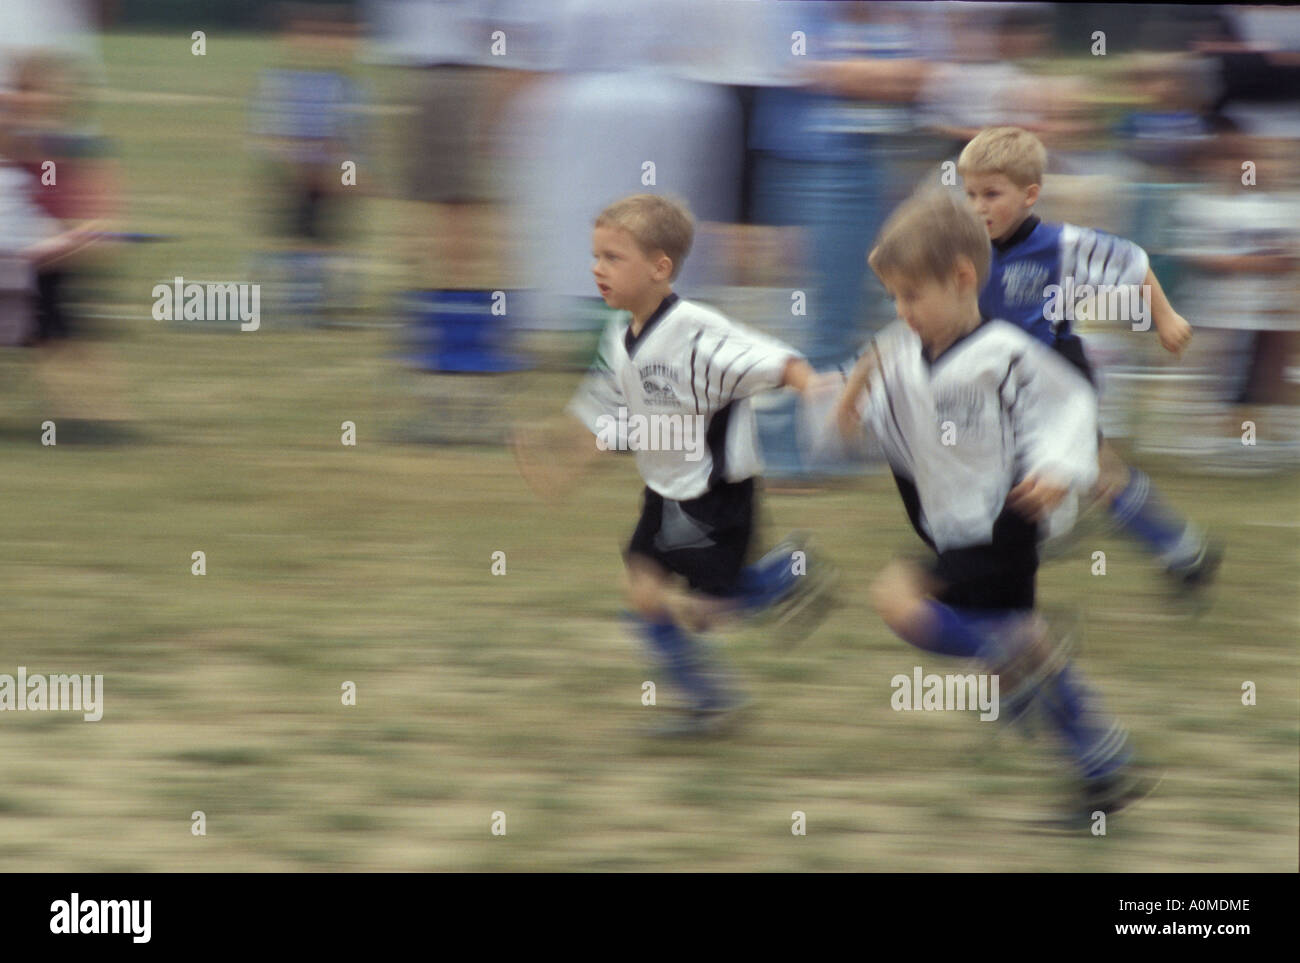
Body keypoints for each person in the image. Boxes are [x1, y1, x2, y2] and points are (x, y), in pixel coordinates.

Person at [835, 188, 1158, 828]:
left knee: (897, 598)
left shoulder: (1005, 353)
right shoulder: (906, 357)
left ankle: (1003, 655)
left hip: (1000, 523)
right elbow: (868, 429)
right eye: (893, 298)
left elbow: (1067, 408)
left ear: (961, 280)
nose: (901, 312)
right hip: (954, 530)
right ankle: (1103, 766)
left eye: (912, 296)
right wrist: (849, 400)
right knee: (1028, 650)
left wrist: (1059, 471)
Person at [514, 194, 836, 737]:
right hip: (663, 493)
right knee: (643, 595)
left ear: (660, 268)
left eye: (613, 258)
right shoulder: (618, 337)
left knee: (712, 613)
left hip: (715, 496)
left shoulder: (697, 330)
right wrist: (561, 459)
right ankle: (710, 704)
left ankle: (785, 574)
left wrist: (812, 387)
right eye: (596, 256)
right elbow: (608, 414)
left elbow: (772, 359)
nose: (597, 269)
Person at [958, 126, 1222, 597]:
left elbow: (1133, 262)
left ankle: (1181, 550)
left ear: (1029, 195)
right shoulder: (969, 247)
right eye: (971, 193)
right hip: (1004, 382)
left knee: (1099, 475)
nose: (978, 206)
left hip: (1057, 378)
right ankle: (1045, 533)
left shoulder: (1061, 245)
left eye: (991, 194)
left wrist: (1165, 318)